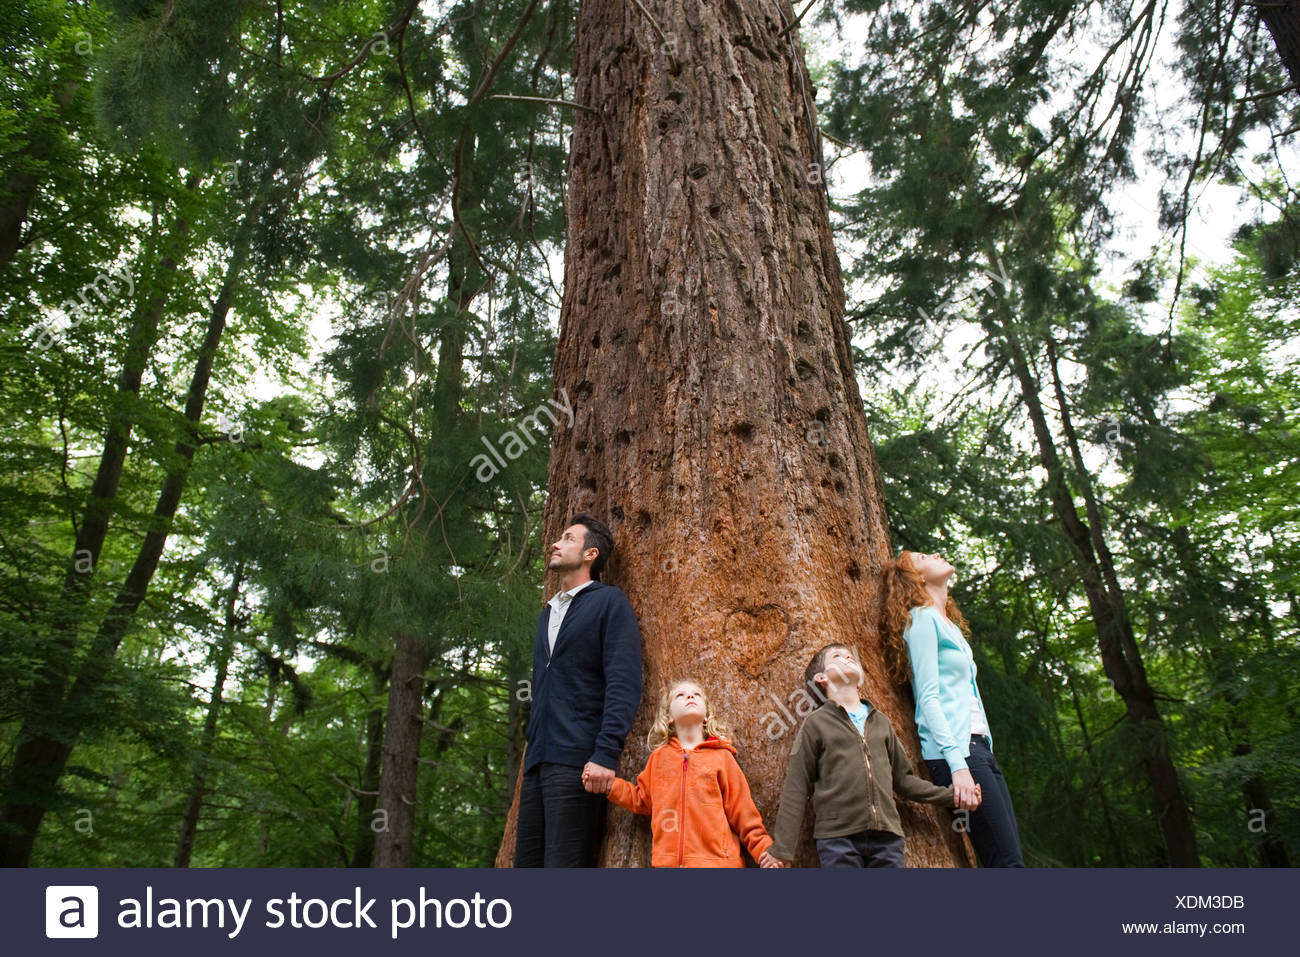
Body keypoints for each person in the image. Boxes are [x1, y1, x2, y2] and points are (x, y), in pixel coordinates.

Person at [767, 643, 979, 867]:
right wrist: (782, 849)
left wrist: (953, 795)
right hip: (838, 839)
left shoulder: (881, 722)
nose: (848, 658)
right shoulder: (816, 724)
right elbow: (797, 787)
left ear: (859, 681)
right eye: (838, 657)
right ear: (821, 677)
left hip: (887, 839)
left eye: (851, 656)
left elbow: (905, 781)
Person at [513, 513, 643, 867]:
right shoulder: (548, 614)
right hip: (538, 763)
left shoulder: (609, 602)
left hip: (580, 763)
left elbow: (624, 680)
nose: (556, 543)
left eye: (568, 538)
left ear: (590, 554)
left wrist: (605, 753)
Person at [882, 550, 1025, 867]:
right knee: (1007, 862)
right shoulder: (921, 619)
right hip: (958, 754)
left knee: (1006, 859)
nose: (934, 554)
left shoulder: (950, 626)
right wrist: (958, 765)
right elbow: (928, 697)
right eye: (923, 557)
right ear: (917, 577)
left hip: (980, 749)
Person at [590, 678, 782, 868]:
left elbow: (744, 813)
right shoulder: (659, 758)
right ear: (668, 718)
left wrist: (764, 851)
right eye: (680, 695)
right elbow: (641, 799)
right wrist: (608, 785)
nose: (690, 696)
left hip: (718, 864)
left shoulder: (722, 757)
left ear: (707, 715)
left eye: (696, 694)